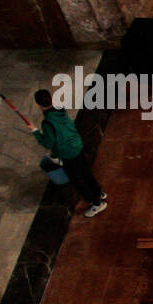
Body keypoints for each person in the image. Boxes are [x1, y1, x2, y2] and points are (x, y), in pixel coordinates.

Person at [30, 89, 108, 217]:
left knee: (77, 180)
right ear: (51, 99)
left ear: (39, 105)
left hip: (68, 153)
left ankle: (96, 203)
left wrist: (35, 132)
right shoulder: (60, 110)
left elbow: (47, 143)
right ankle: (98, 192)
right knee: (85, 172)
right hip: (77, 145)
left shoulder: (47, 123)